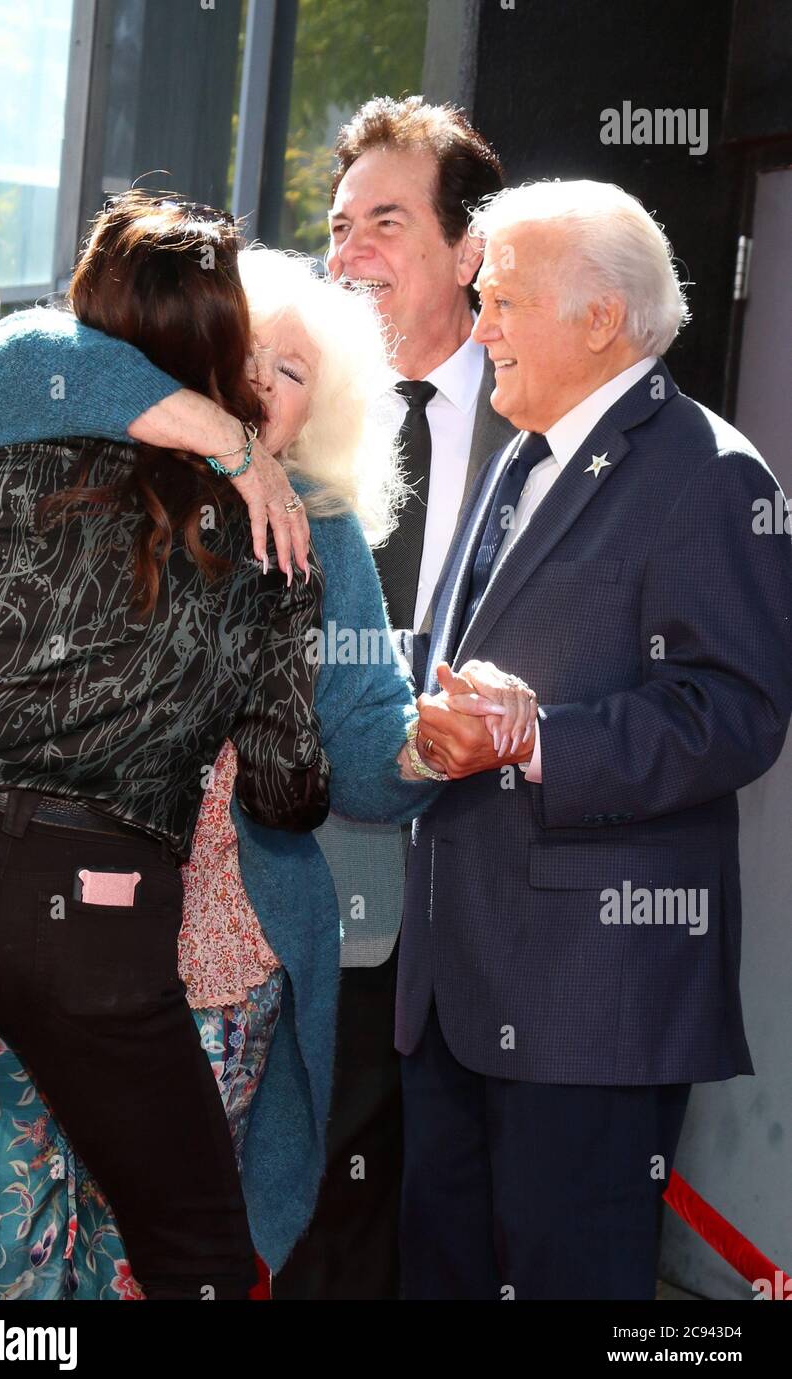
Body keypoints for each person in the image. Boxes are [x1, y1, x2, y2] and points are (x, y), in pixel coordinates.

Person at [0, 245, 517, 1296]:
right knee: (0, 1239)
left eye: (287, 371)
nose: (253, 381)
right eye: (236, 352)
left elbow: (360, 748)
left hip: (213, 948)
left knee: (145, 1261)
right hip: (36, 913)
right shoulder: (83, 444)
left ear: (324, 412)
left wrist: (429, 744)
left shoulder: (314, 534)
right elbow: (9, 367)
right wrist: (213, 440)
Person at [0, 194, 333, 1302]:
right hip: (95, 916)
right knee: (196, 1248)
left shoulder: (6, 433)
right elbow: (290, 791)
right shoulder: (268, 529)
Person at [397, 178, 792, 1299]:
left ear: (600, 317)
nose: (479, 330)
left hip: (589, 1010)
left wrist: (536, 743)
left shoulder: (709, 474)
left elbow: (735, 713)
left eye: (502, 302)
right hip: (453, 991)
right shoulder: (518, 456)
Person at [276, 95, 517, 1301]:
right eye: (336, 225)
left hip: (498, 900)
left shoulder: (546, 424)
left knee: (461, 1229)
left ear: (466, 253)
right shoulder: (285, 422)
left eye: (384, 222)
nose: (346, 252)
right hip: (334, 879)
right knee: (322, 1196)